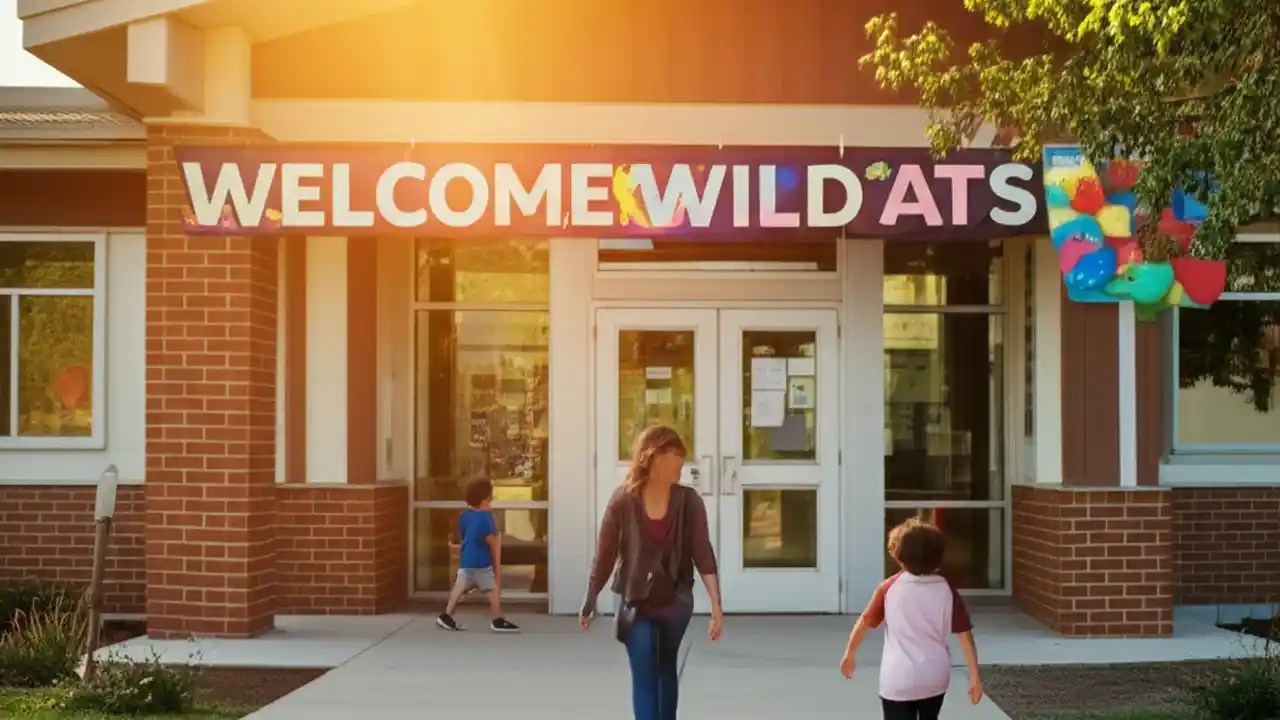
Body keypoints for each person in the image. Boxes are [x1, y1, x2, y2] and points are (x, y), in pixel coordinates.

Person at [579, 425, 723, 720]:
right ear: (654, 456)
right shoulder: (623, 500)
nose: (681, 462)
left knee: (665, 667)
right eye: (674, 455)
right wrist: (590, 598)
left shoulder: (689, 501)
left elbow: (702, 551)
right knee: (645, 670)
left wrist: (716, 604)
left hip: (675, 599)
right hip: (635, 601)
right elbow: (604, 554)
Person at [839, 517, 982, 720]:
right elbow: (964, 635)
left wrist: (850, 653)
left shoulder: (889, 588)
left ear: (899, 554)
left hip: (898, 678)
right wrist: (975, 676)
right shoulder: (946, 589)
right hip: (935, 676)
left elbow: (865, 622)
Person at [436, 478, 521, 633]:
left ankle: (446, 615)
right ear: (484, 500)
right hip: (481, 562)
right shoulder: (486, 518)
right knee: (492, 589)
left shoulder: (464, 516)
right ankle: (497, 619)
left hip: (466, 560)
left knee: (459, 586)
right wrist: (497, 566)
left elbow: (463, 536)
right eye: (490, 497)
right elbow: (491, 541)